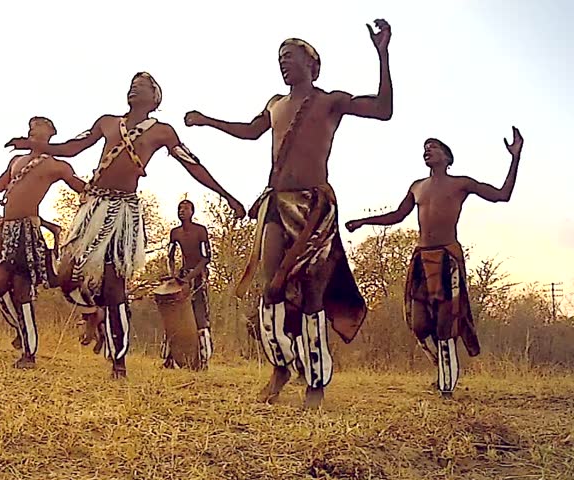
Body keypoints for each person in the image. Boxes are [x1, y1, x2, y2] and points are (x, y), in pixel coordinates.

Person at [184, 20, 393, 408]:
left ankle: (315, 381)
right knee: (271, 287)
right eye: (279, 58)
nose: (283, 64)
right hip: (277, 203)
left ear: (312, 65)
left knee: (312, 292)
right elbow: (250, 131)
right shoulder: (274, 103)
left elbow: (383, 110)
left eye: (290, 57)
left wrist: (382, 53)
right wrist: (207, 120)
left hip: (314, 206)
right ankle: (280, 366)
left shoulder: (331, 100)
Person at [7, 72, 246, 378]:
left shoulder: (162, 132)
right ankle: (94, 314)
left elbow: (193, 164)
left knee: (114, 284)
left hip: (123, 212)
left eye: (143, 86)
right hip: (93, 207)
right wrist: (32, 145)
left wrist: (226, 195)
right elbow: (70, 147)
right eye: (132, 85)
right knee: (66, 275)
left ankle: (118, 362)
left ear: (155, 97)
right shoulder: (107, 122)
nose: (135, 88)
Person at [346, 128, 524, 397]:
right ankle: (443, 367)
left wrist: (515, 158)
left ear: (447, 158)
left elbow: (503, 194)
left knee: (445, 324)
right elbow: (397, 215)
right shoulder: (417, 186)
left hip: (446, 257)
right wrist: (363, 222)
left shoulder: (461, 183)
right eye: (425, 148)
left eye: (434, 147)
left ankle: (446, 390)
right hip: (421, 257)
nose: (427, 150)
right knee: (418, 325)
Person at [0, 116, 86, 368]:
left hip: (27, 230)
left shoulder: (56, 166)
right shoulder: (16, 161)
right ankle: (20, 329)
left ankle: (29, 354)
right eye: (30, 130)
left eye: (38, 131)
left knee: (22, 289)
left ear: (50, 135)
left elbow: (80, 186)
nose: (32, 134)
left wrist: (98, 188)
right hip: (5, 230)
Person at [163, 199, 213, 369]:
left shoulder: (200, 231)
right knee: (175, 315)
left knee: (200, 315)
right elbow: (170, 255)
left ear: (192, 212)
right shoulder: (175, 233)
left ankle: (203, 359)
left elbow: (206, 258)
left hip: (199, 276)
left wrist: (191, 276)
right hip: (183, 275)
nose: (182, 211)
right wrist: (172, 275)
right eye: (179, 208)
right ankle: (171, 359)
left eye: (185, 209)